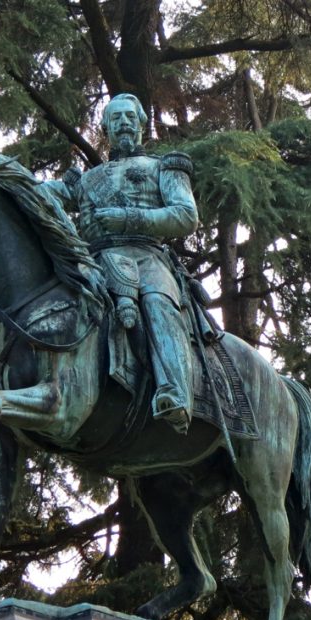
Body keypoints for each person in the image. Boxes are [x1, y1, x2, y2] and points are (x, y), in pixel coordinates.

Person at [44, 93, 198, 433]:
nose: (124, 123)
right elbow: (46, 194)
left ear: (142, 123)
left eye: (130, 116)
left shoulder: (164, 167)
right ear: (106, 128)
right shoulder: (87, 179)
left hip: (147, 256)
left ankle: (175, 392)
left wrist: (126, 218)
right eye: (116, 119)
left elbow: (185, 216)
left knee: (158, 302)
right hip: (94, 261)